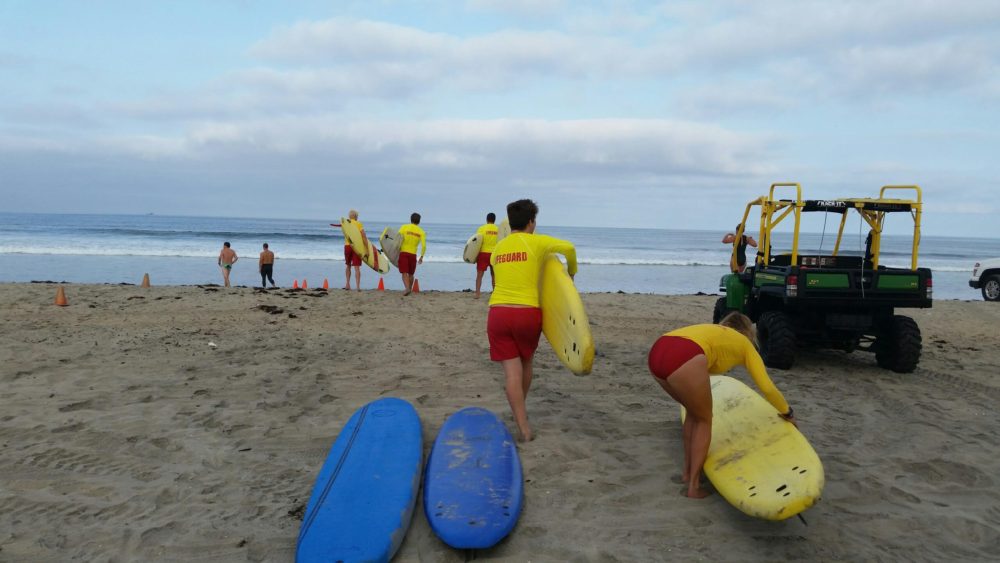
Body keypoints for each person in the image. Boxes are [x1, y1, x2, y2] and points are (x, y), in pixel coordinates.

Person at [647, 312, 796, 498]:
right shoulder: (745, 345)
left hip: (658, 351)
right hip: (685, 355)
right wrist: (787, 412)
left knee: (693, 414)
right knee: (704, 420)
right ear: (748, 332)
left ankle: (687, 473)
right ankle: (693, 487)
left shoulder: (714, 331)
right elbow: (767, 387)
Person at [487, 199, 577, 442]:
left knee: (511, 374)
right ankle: (521, 414)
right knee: (526, 364)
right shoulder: (537, 242)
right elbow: (569, 248)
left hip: (498, 313)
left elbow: (495, 279)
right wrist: (571, 273)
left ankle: (522, 423)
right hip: (527, 313)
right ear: (531, 222)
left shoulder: (498, 249)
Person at [397, 212, 427, 296]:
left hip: (403, 252)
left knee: (404, 273)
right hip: (413, 254)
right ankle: (409, 288)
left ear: (410, 219)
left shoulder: (404, 227)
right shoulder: (421, 231)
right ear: (419, 221)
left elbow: (398, 239)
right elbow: (424, 246)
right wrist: (421, 256)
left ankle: (407, 289)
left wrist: (394, 250)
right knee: (411, 274)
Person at [474, 212, 499, 299]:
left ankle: (477, 294)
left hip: (483, 253)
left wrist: (475, 255)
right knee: (494, 275)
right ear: (494, 220)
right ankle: (495, 294)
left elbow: (477, 242)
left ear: (487, 219)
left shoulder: (482, 228)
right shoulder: (498, 229)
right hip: (494, 254)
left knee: (479, 275)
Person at [343, 209, 370, 291]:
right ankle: (358, 287)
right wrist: (367, 249)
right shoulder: (358, 224)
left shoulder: (346, 223)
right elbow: (364, 236)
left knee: (348, 265)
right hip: (356, 247)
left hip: (347, 246)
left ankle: (347, 284)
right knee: (357, 267)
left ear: (349, 216)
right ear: (356, 216)